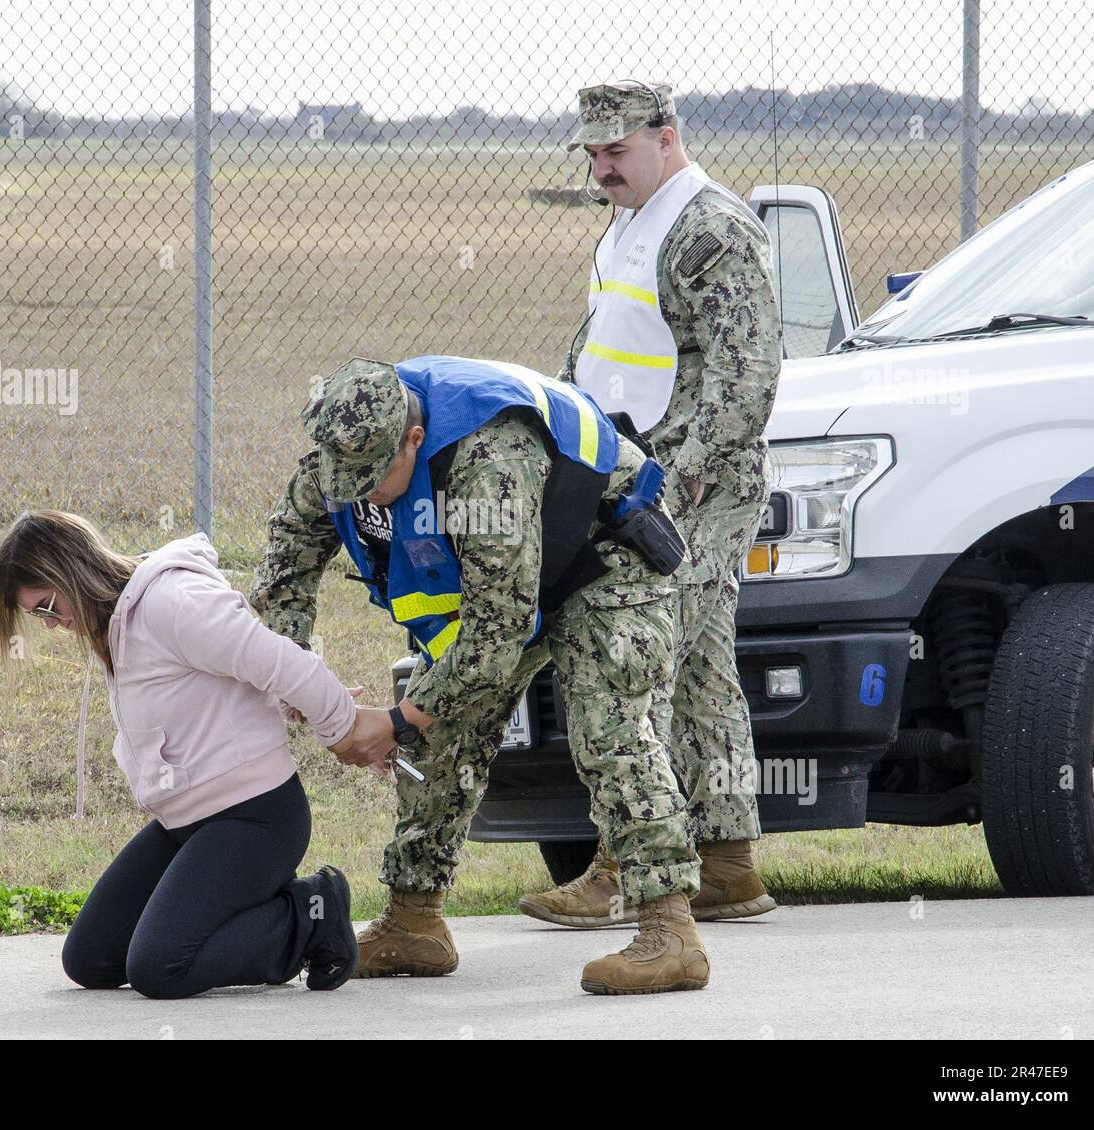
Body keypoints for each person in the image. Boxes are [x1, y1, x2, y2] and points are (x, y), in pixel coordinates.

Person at [251, 353, 713, 995]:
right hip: (508, 583)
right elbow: (285, 567)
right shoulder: (343, 456)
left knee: (608, 729)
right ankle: (415, 921)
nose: (355, 490)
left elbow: (498, 632)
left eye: (371, 476)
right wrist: (294, 675)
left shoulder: (486, 459)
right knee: (436, 734)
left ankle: (671, 931)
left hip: (602, 561)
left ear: (413, 437)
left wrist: (393, 721)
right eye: (342, 477)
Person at [519, 80, 783, 928]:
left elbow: (748, 375)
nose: (601, 167)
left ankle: (626, 866)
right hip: (635, 476)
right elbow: (603, 342)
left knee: (641, 660)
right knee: (700, 665)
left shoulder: (712, 227)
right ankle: (729, 864)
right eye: (592, 153)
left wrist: (676, 475)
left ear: (665, 138)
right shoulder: (634, 222)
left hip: (692, 487)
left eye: (615, 150)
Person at [0, 509, 395, 999]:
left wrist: (343, 732)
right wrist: (287, 707)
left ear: (71, 570)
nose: (52, 624)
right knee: (90, 960)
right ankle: (239, 908)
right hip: (186, 823)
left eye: (49, 606)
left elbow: (284, 661)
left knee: (160, 968)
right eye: (39, 616)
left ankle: (312, 912)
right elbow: (223, 682)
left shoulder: (171, 603)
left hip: (255, 818)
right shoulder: (114, 621)